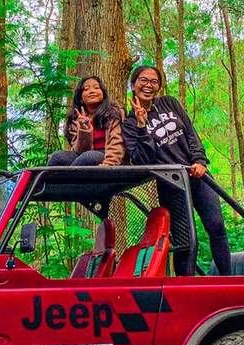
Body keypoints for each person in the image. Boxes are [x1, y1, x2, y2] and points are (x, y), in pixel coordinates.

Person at [121, 64, 232, 277]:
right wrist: (143, 126)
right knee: (186, 238)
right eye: (143, 80)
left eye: (154, 82)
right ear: (133, 85)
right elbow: (143, 159)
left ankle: (228, 280)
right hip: (171, 183)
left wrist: (200, 160)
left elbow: (190, 133)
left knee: (216, 227)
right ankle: (185, 286)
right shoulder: (129, 123)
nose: (148, 85)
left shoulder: (169, 103)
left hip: (197, 175)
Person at [47, 74, 125, 167]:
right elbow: (79, 150)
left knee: (89, 157)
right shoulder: (75, 118)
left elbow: (117, 142)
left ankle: (70, 180)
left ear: (103, 94)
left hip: (107, 155)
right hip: (82, 155)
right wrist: (84, 130)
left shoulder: (114, 113)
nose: (92, 91)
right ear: (81, 98)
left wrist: (109, 163)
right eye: (86, 89)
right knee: (58, 157)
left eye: (96, 88)